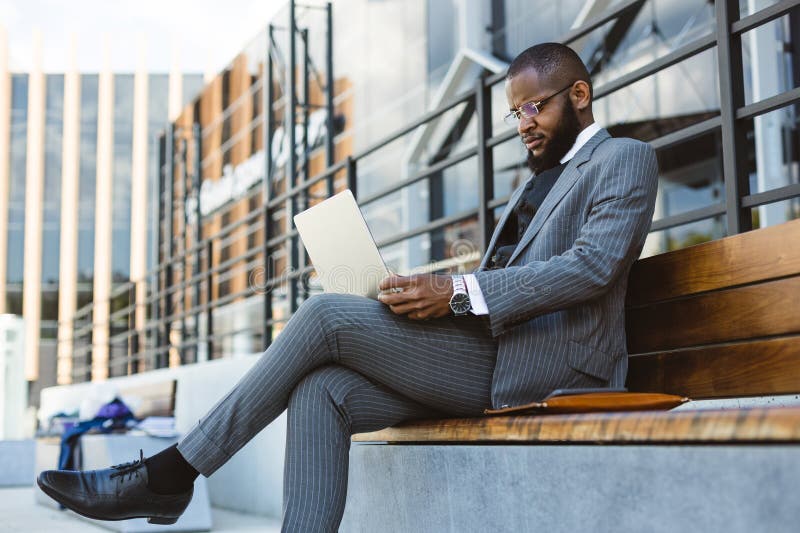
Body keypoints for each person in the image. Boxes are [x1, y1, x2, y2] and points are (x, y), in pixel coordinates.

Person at [37, 42, 658, 532]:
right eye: (515, 113)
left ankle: (171, 472)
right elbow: (500, 280)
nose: (523, 124)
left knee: (325, 316)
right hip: (487, 357)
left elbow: (592, 266)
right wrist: (422, 295)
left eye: (534, 107)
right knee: (321, 389)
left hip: (548, 371)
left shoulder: (624, 159)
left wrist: (456, 292)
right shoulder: (535, 182)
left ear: (580, 94)